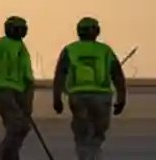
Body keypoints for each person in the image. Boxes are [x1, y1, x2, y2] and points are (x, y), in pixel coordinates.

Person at [53, 17, 127, 160]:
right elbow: (117, 75)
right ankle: (93, 155)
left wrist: (57, 99)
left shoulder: (70, 50)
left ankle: (85, 156)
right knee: (98, 134)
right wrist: (121, 98)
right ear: (97, 31)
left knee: (81, 133)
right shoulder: (105, 50)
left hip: (77, 96)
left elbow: (60, 75)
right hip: (101, 97)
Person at [0, 17, 34, 160]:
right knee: (20, 126)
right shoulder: (19, 47)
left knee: (14, 125)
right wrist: (28, 102)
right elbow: (27, 75)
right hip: (14, 90)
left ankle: (10, 154)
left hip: (0, 90)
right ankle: (2, 152)